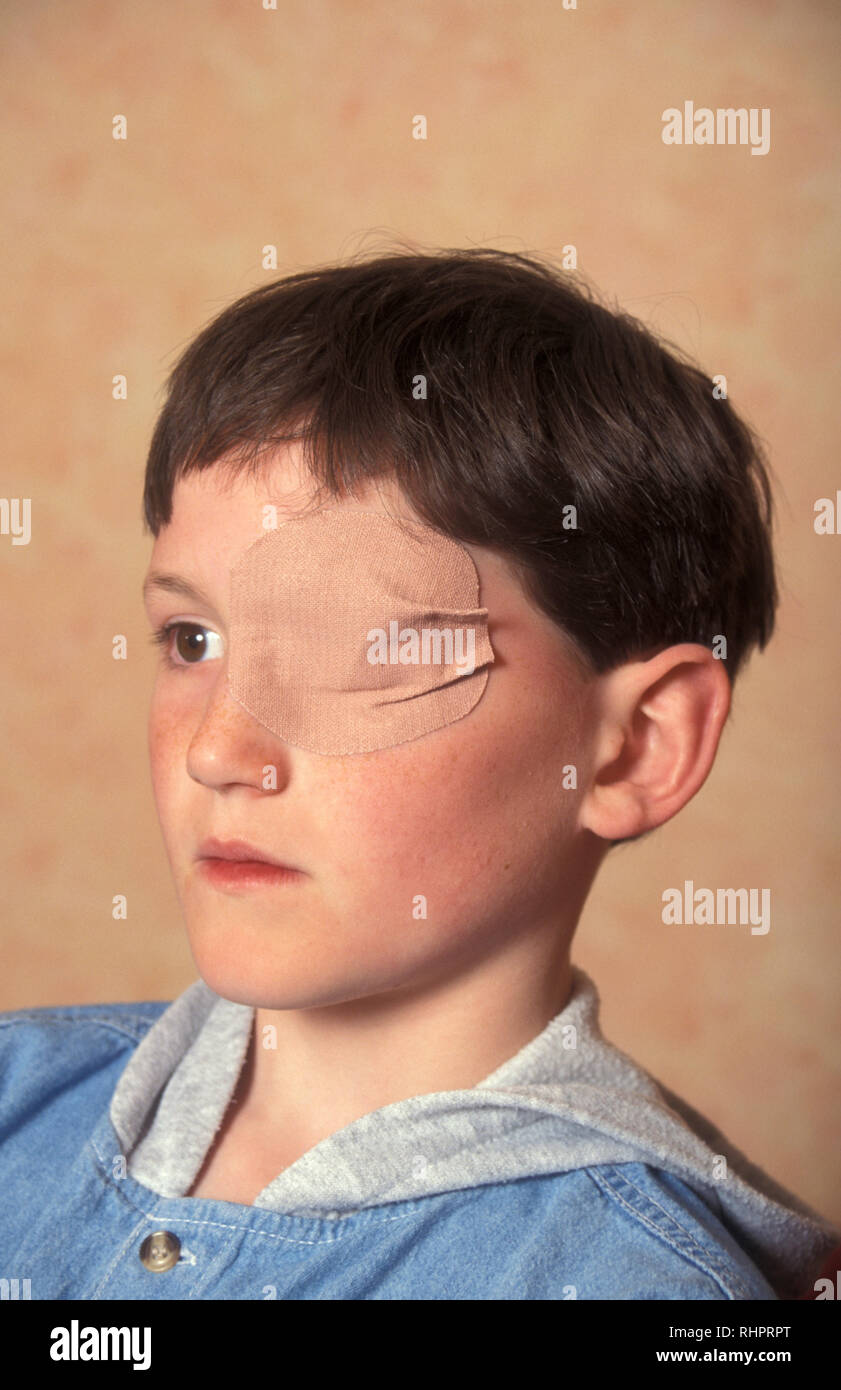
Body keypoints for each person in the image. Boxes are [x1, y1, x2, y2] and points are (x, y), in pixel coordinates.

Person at [1, 247, 837, 1300]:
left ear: (635, 745)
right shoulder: (17, 1093)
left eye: (368, 649)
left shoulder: (633, 1287)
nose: (218, 748)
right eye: (193, 640)